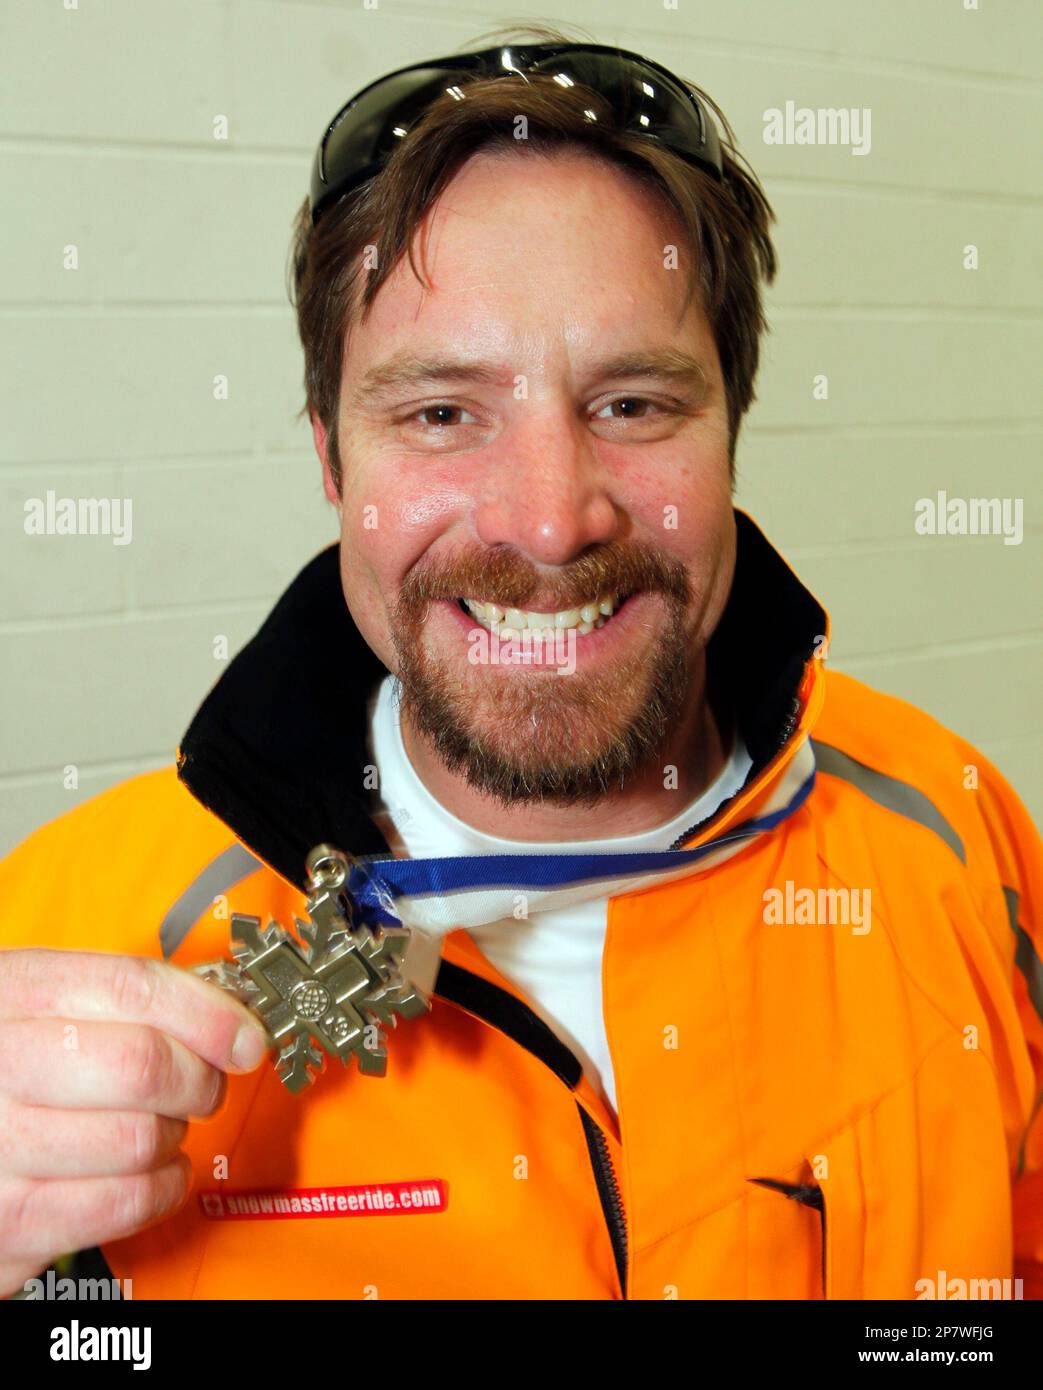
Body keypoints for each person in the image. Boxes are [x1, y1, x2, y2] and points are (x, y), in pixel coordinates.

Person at [1, 29, 1040, 1302]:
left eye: (632, 405)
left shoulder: (961, 844)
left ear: (729, 433)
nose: (551, 521)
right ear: (332, 460)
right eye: (442, 413)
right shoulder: (59, 941)